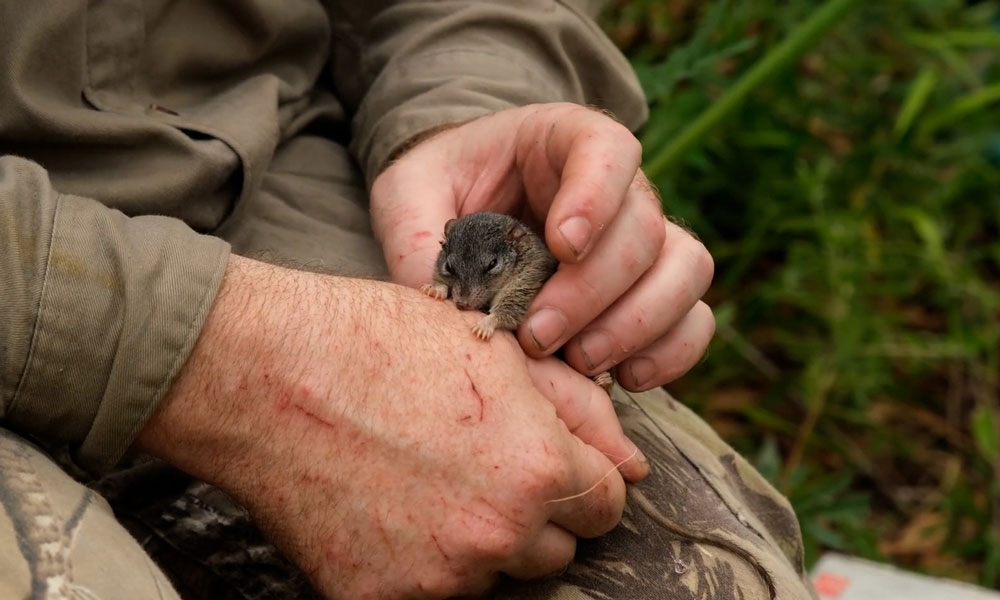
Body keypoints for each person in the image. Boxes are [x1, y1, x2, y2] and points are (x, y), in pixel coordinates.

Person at [0, 2, 815, 599]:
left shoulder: (485, 251)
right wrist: (202, 352)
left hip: (276, 165)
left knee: (713, 581)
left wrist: (469, 104)